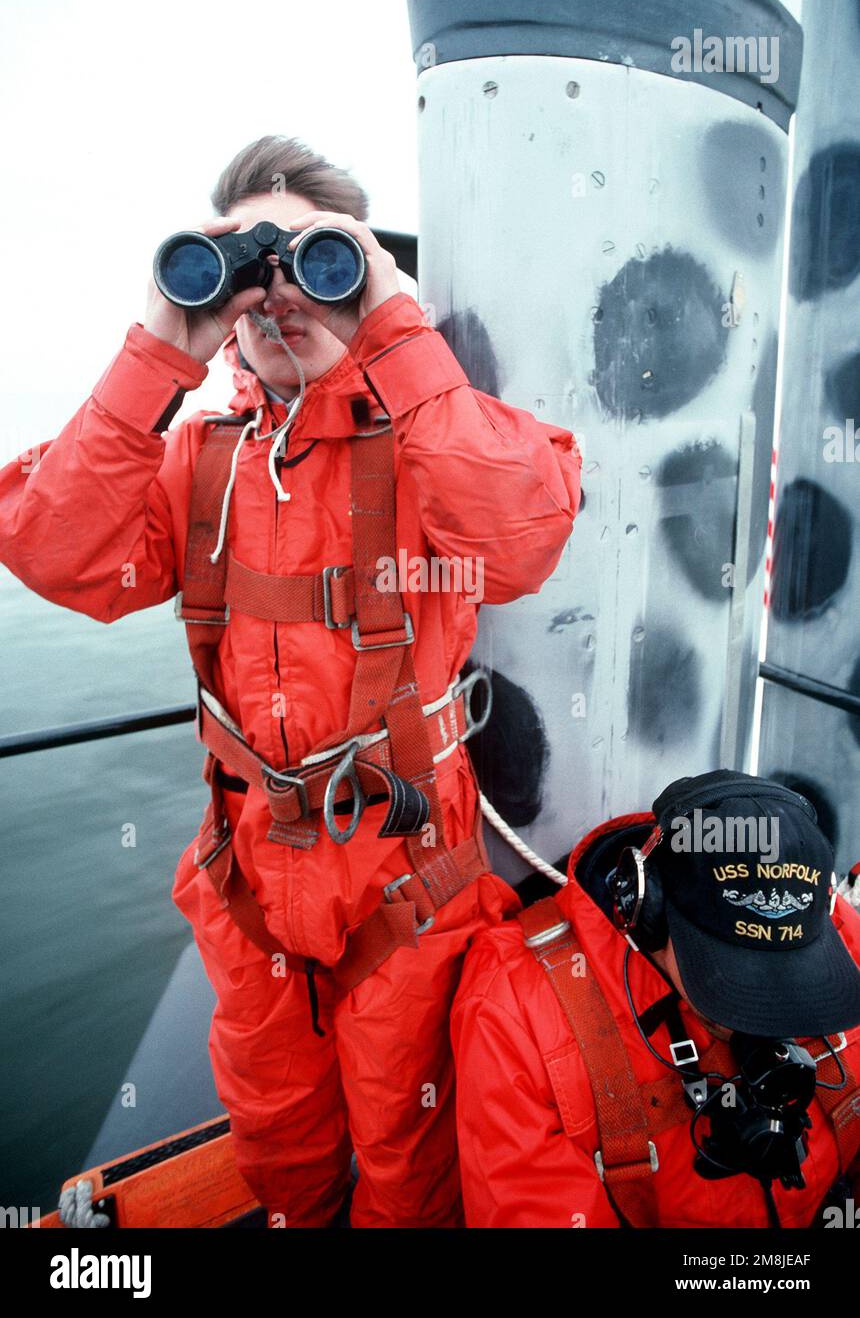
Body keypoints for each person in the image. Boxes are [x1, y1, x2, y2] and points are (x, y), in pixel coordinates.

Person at [0, 135, 581, 1227]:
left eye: (313, 260)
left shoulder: (426, 434)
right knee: (276, 1137)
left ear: (367, 267)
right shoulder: (201, 453)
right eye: (241, 269)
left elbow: (518, 540)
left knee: (406, 1159)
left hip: (404, 870)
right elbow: (52, 548)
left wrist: (389, 324)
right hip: (248, 875)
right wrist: (160, 352)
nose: (273, 298)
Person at [451, 771, 860, 1227]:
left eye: (797, 976)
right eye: (738, 985)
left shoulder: (834, 930)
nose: (769, 1012)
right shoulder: (517, 1008)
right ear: (649, 914)